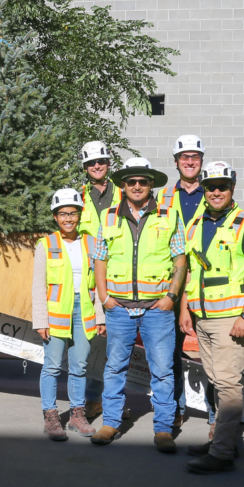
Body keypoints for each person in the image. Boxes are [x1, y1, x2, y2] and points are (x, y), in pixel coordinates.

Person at [89, 158, 187, 453]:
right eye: (131, 181)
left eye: (142, 181)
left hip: (157, 309)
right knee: (114, 368)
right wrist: (105, 298)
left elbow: (180, 260)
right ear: (123, 186)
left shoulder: (169, 216)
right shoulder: (108, 217)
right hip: (118, 309)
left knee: (162, 370)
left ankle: (163, 429)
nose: (137, 186)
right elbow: (100, 259)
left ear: (151, 185)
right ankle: (110, 423)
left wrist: (170, 297)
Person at [181, 161, 244, 474]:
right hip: (203, 318)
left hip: (231, 318)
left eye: (223, 186)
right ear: (203, 190)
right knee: (217, 382)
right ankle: (224, 440)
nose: (216, 192)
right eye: (210, 186)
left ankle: (221, 453)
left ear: (232, 188)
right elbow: (190, 269)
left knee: (228, 385)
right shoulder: (195, 223)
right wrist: (185, 309)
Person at [32, 189, 105, 441]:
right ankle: (51, 416)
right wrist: (41, 320)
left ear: (79, 215)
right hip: (55, 315)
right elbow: (38, 285)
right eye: (62, 214)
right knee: (52, 366)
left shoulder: (90, 242)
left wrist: (100, 316)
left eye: (72, 213)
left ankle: (77, 414)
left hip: (83, 312)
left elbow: (97, 283)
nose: (68, 218)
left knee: (80, 366)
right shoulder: (46, 244)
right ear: (55, 217)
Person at [156, 134, 209, 432]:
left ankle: (216, 417)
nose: (190, 162)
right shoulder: (162, 197)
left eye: (195, 157)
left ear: (201, 161)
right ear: (176, 161)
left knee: (212, 353)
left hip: (206, 285)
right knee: (170, 353)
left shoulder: (215, 192)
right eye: (184, 157)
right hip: (172, 286)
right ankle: (174, 410)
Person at [75, 140, 121, 420]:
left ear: (108, 163)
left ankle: (117, 400)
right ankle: (93, 399)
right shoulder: (79, 197)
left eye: (100, 161)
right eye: (91, 163)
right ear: (85, 167)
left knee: (120, 342)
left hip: (122, 273)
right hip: (91, 278)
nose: (96, 166)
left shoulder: (124, 192)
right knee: (95, 341)